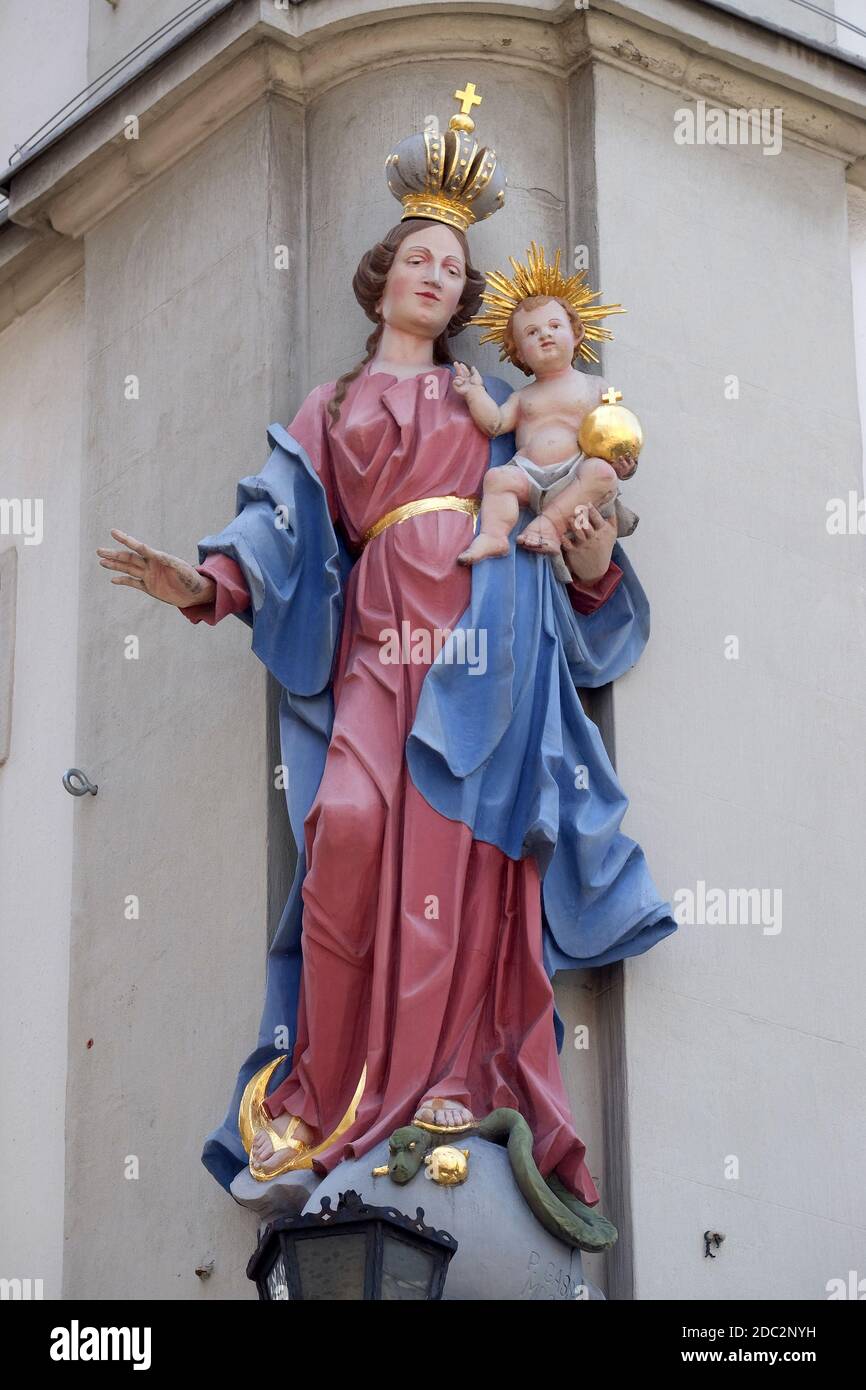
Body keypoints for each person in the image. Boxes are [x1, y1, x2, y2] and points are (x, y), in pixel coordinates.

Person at [96, 95, 676, 1206]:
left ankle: (453, 1076)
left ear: (466, 301)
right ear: (382, 275)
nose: (437, 277)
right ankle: (325, 1087)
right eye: (420, 258)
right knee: (348, 825)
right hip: (377, 630)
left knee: (460, 864)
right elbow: (281, 517)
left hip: (483, 624)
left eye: (454, 271)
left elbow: (575, 533)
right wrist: (205, 585)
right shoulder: (333, 402)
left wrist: (591, 555)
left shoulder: (496, 407)